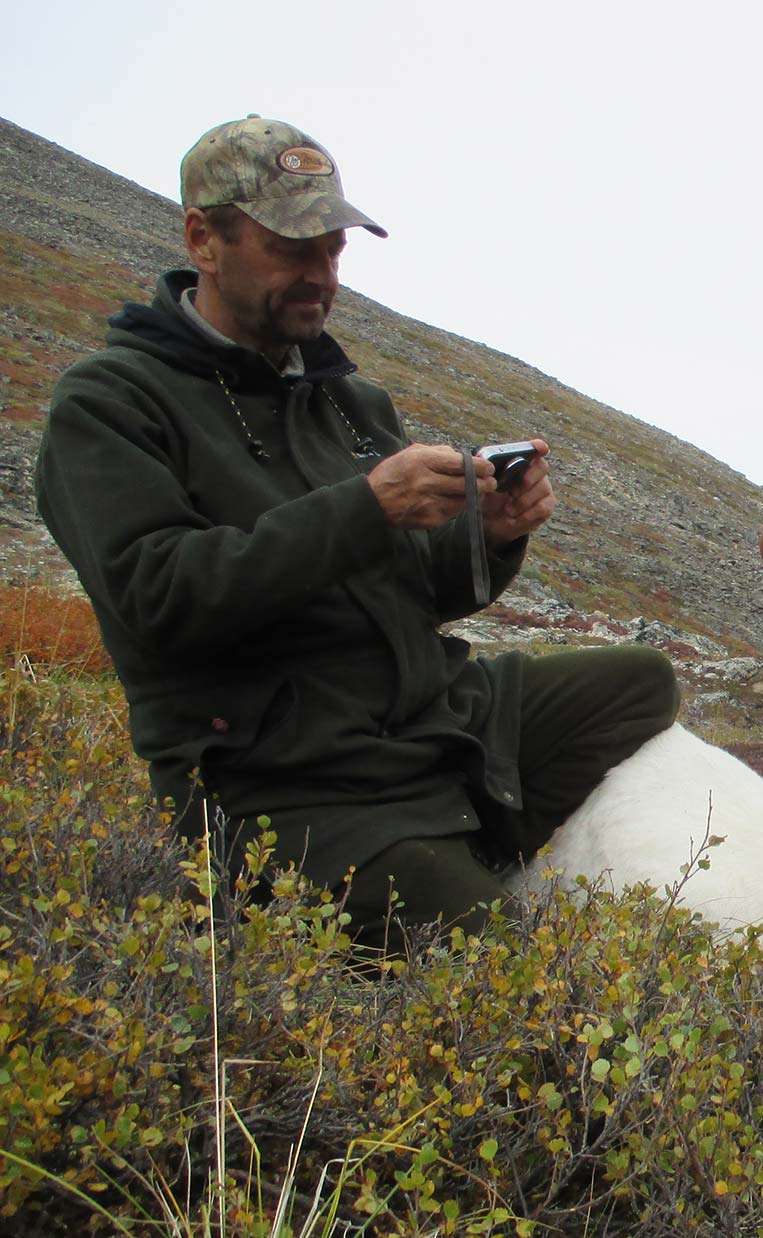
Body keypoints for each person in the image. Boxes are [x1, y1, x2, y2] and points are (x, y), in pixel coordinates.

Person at [33, 116, 678, 938]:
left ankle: (460, 840)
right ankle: (430, 867)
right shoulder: (110, 404)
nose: (321, 274)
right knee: (500, 960)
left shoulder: (346, 398)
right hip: (283, 777)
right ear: (204, 238)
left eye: (333, 249)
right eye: (292, 247)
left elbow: (417, 587)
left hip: (421, 719)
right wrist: (365, 508)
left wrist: (491, 536)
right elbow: (158, 599)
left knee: (640, 681)